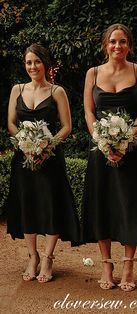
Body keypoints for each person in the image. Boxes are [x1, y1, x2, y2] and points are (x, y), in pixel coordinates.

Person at [82, 23, 137, 291]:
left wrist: (125, 142)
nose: (117, 47)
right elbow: (88, 112)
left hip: (131, 150)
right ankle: (107, 266)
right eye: (112, 42)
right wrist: (101, 140)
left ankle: (128, 266)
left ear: (129, 44)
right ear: (105, 45)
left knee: (129, 204)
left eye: (122, 42)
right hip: (100, 149)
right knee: (103, 204)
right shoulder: (93, 73)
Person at [7, 43, 81, 283]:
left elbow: (67, 127)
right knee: (27, 205)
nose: (32, 66)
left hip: (50, 159)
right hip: (23, 158)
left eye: (37, 62)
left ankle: (48, 258)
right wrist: (27, 145)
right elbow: (11, 124)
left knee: (51, 205)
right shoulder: (17, 89)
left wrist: (45, 147)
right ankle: (32, 256)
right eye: (28, 62)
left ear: (45, 64)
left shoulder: (56, 91)